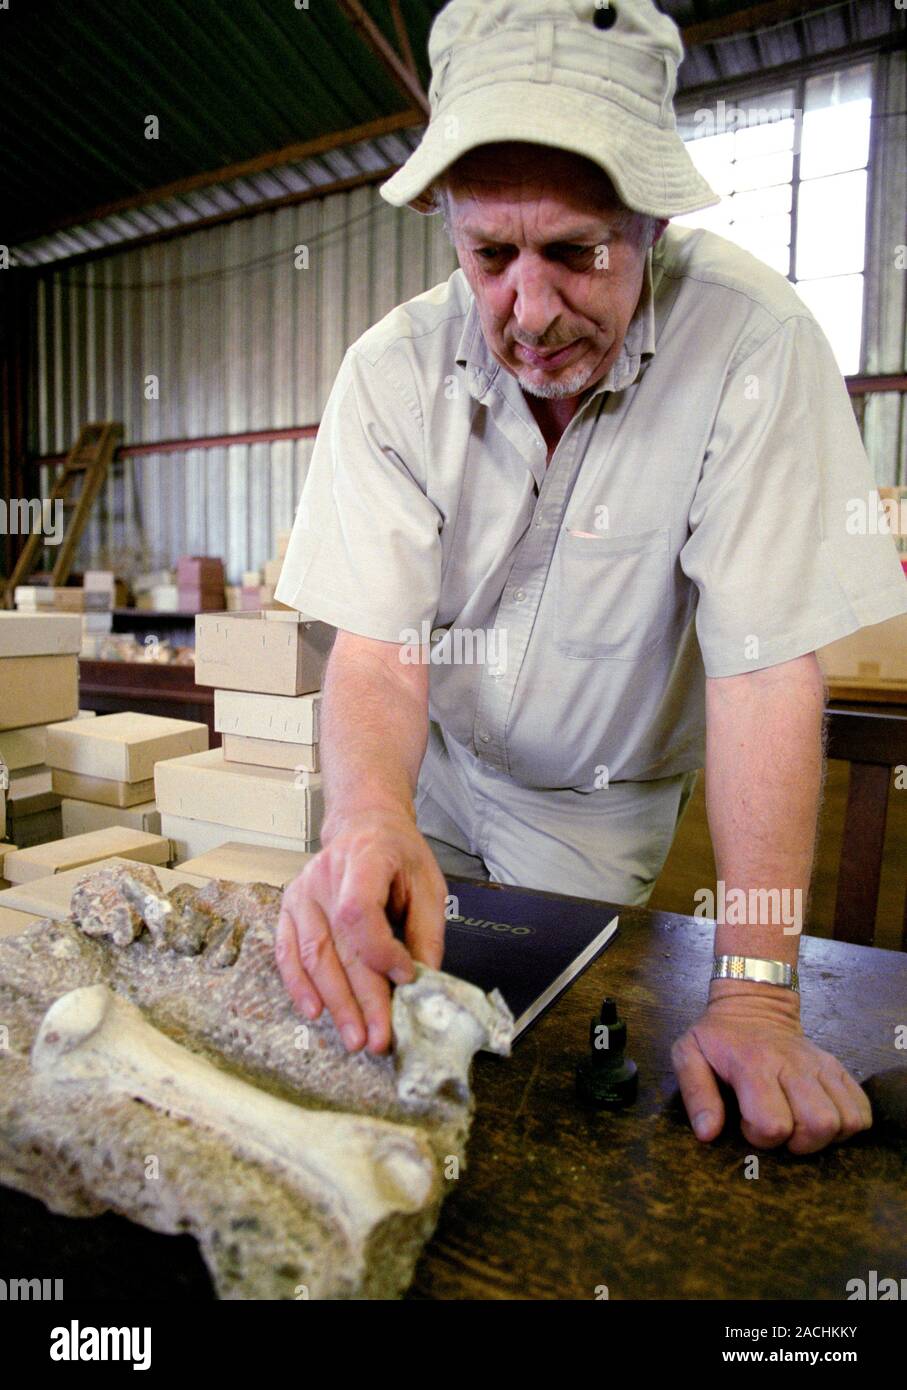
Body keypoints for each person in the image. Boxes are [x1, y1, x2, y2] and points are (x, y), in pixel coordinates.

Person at [274, 0, 907, 1154]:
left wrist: (757, 994)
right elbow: (376, 649)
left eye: (574, 251)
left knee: (536, 1068)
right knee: (380, 1030)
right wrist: (368, 812)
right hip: (432, 758)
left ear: (652, 221)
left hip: (591, 797)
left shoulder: (752, 350)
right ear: (449, 225)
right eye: (490, 256)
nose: (529, 308)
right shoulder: (390, 375)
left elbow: (764, 676)